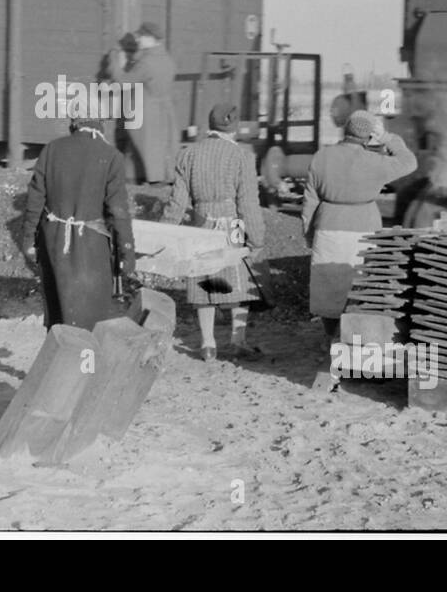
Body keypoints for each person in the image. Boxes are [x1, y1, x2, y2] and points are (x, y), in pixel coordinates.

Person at [161, 103, 266, 362]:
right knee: (238, 282)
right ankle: (237, 341)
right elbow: (248, 202)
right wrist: (256, 237)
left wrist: (165, 231)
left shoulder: (189, 154)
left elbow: (177, 201)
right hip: (233, 223)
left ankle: (208, 344)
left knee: (203, 282)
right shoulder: (242, 156)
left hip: (201, 223)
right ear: (235, 126)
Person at [301, 110, 417, 342]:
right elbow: (409, 162)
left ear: (345, 130)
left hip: (329, 223)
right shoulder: (376, 162)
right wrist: (387, 138)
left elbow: (310, 199)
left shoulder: (322, 157)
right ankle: (355, 339)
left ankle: (331, 338)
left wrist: (308, 232)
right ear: (369, 137)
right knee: (362, 283)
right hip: (365, 226)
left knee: (329, 284)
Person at [21, 116, 136, 331]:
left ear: (74, 123)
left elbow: (35, 199)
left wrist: (28, 240)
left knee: (58, 312)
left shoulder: (51, 149)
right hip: (91, 246)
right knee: (89, 316)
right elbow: (118, 211)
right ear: (100, 125)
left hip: (54, 241)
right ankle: (86, 361)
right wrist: (127, 251)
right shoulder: (111, 156)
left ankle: (59, 360)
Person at [108, 21, 177, 185]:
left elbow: (123, 82)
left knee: (144, 147)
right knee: (158, 147)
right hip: (164, 109)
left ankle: (152, 179)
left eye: (141, 36)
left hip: (146, 110)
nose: (138, 39)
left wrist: (114, 62)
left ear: (150, 38)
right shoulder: (167, 59)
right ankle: (158, 177)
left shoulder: (146, 63)